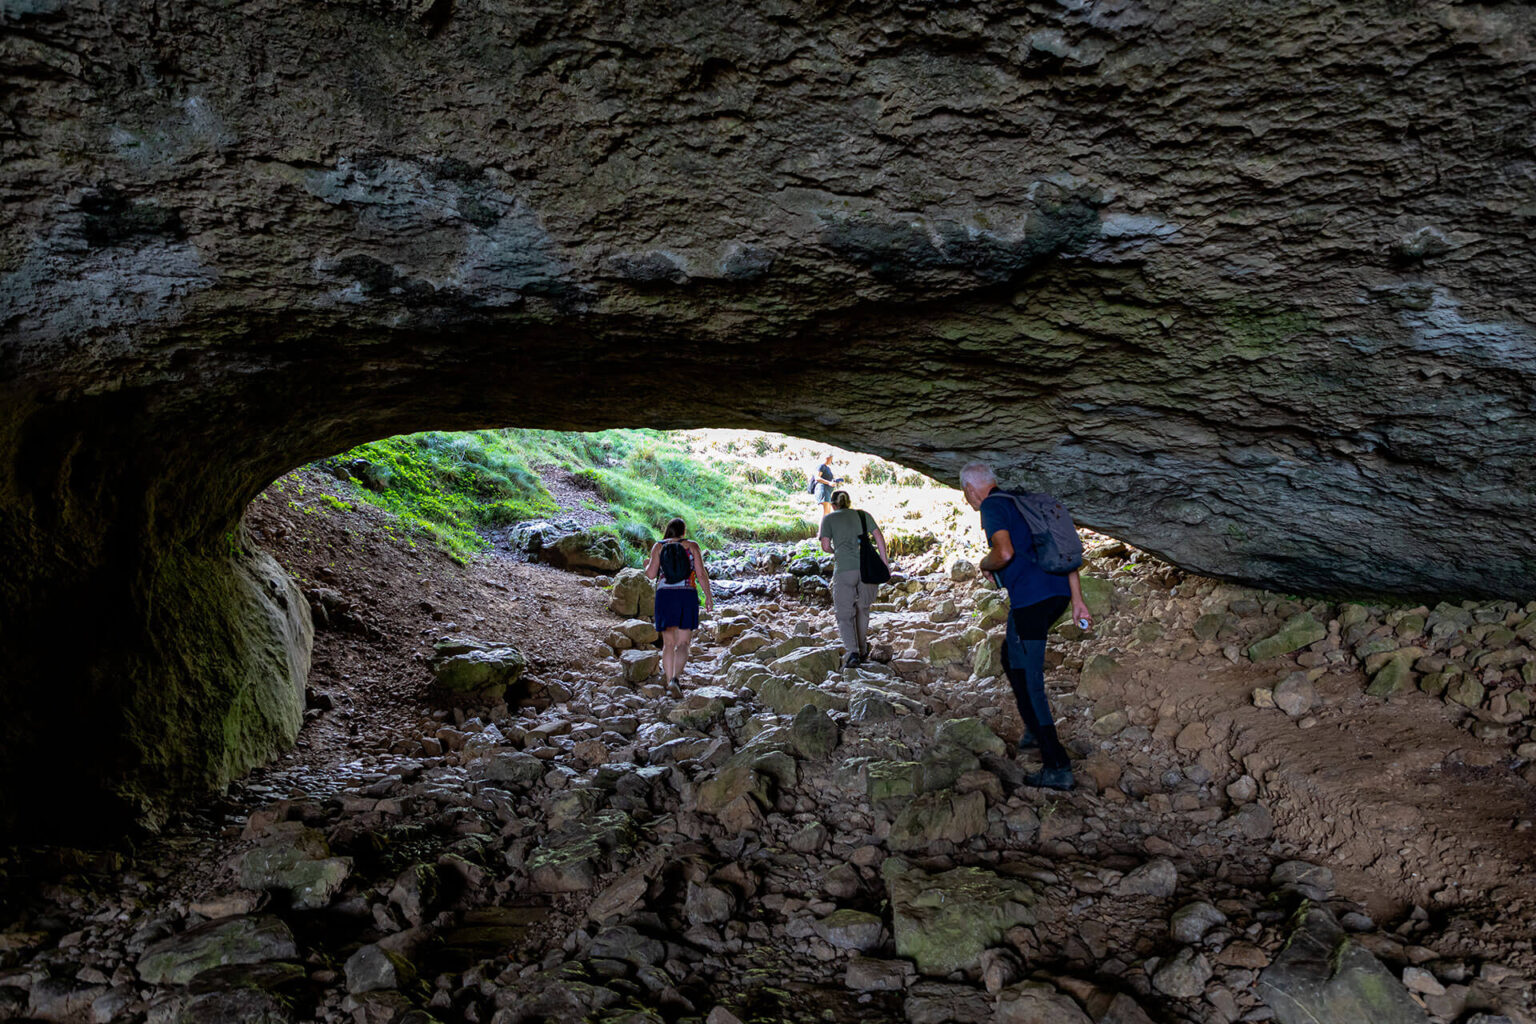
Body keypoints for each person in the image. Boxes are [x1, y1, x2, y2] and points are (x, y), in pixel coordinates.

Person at [961, 462, 1092, 791]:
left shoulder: (992, 505)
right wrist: (1077, 600)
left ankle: (1056, 766)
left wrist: (983, 564)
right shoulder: (1021, 501)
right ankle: (1034, 729)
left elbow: (1003, 552)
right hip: (1056, 594)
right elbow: (1062, 548)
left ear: (970, 490)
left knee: (1030, 679)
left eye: (967, 495)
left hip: (1032, 601)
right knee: (1010, 656)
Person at [818, 489, 888, 670]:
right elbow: (879, 537)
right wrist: (884, 562)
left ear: (833, 505)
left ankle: (853, 652)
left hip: (844, 570)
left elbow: (825, 546)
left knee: (844, 614)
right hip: (868, 569)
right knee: (863, 609)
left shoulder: (828, 518)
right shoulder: (863, 515)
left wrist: (838, 552)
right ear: (848, 502)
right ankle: (863, 649)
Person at [644, 518, 714, 687]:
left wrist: (646, 565)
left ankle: (669, 681)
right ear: (683, 532)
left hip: (665, 595)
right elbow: (701, 574)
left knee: (668, 643)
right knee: (683, 642)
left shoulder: (659, 546)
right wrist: (708, 597)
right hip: (686, 595)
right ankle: (676, 679)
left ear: (668, 530)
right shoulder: (692, 546)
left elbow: (651, 574)